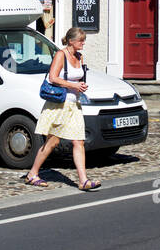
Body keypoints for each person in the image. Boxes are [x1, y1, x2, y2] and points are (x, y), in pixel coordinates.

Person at [22, 27, 101, 191]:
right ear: (71, 41)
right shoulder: (61, 55)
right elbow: (53, 77)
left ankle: (83, 180)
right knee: (52, 141)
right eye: (81, 40)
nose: (83, 43)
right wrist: (74, 85)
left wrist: (81, 85)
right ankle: (32, 173)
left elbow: (77, 76)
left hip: (74, 104)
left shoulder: (79, 56)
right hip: (58, 104)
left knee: (78, 141)